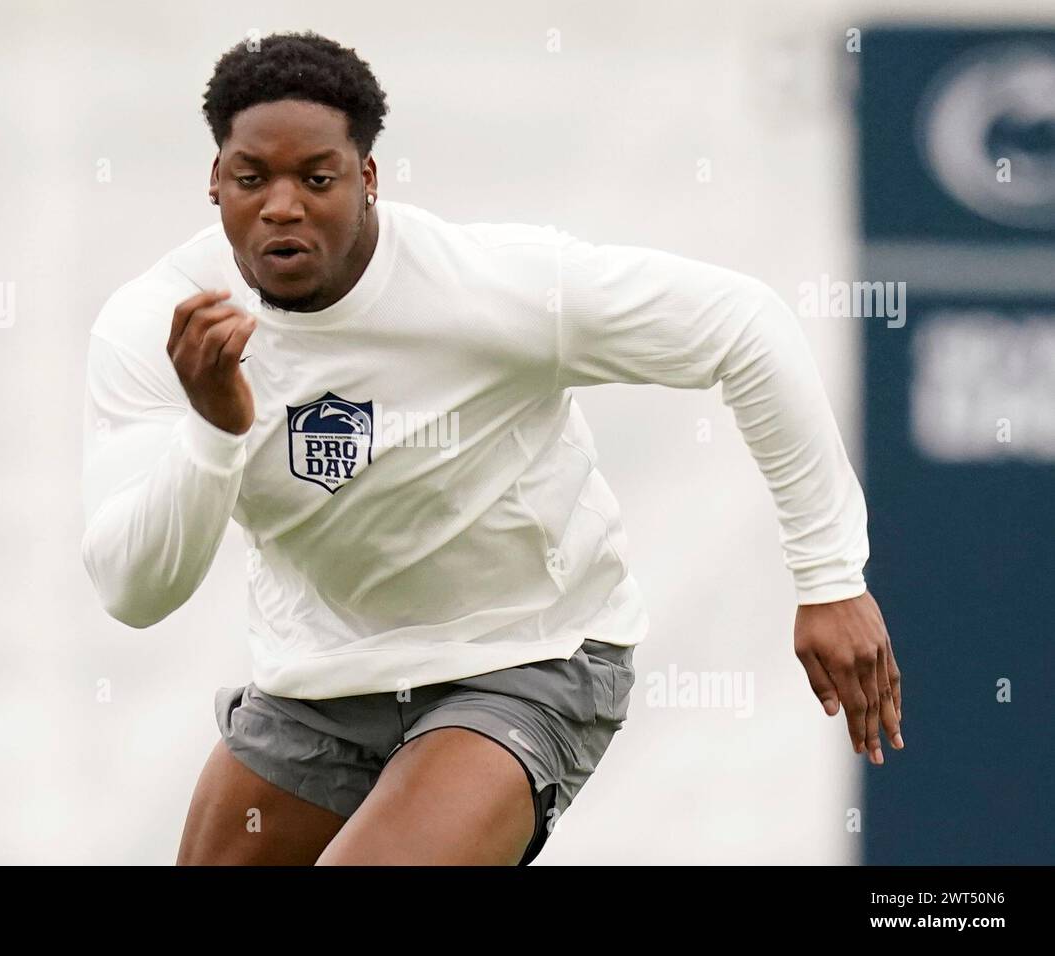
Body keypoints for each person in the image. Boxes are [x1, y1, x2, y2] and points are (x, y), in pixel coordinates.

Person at [80, 30, 904, 866]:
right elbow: (134, 591)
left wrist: (830, 578)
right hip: (320, 684)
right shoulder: (159, 325)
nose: (282, 206)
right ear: (215, 184)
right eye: (252, 179)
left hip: (530, 657)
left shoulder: (493, 286)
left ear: (367, 181)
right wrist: (215, 431)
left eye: (317, 178)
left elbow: (745, 326)